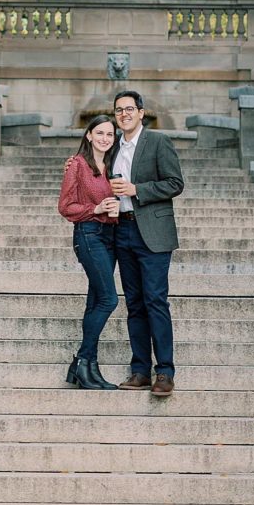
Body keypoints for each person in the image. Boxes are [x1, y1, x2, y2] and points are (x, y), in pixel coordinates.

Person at [108, 90, 183, 397]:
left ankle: (164, 372)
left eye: (129, 109)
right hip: (122, 231)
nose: (124, 114)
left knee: (155, 300)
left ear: (141, 113)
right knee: (134, 304)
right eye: (118, 110)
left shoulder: (158, 142)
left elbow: (175, 183)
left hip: (152, 232)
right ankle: (139, 370)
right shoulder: (112, 145)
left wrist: (137, 189)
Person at [57, 114, 121, 390]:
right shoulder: (78, 165)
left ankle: (89, 369)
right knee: (109, 300)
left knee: (95, 300)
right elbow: (65, 206)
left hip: (111, 237)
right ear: (89, 135)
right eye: (100, 133)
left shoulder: (115, 165)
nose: (105, 138)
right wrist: (94, 210)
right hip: (89, 235)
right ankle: (82, 360)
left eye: (110, 134)